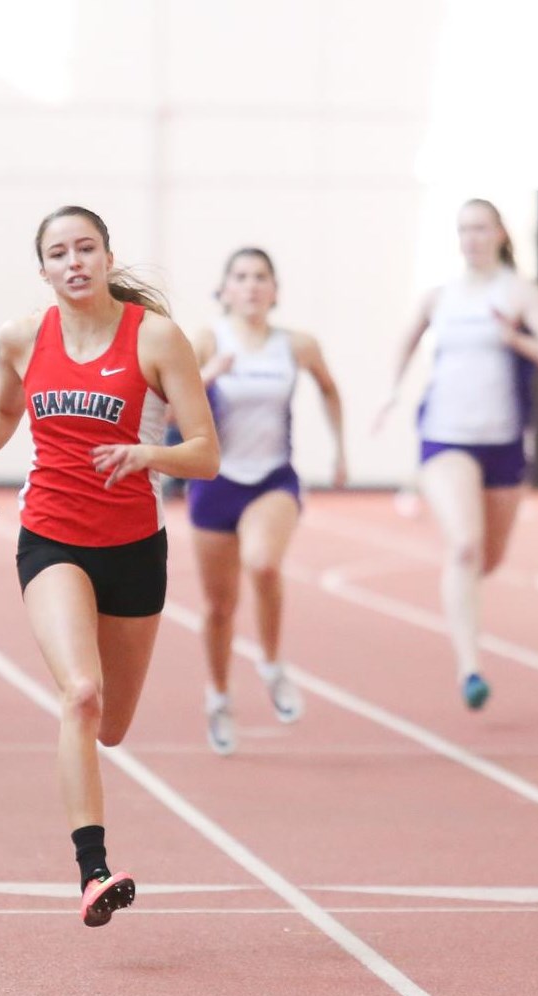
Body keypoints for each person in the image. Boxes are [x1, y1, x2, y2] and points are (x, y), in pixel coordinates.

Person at [0, 205, 217, 926]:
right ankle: (92, 869)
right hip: (51, 539)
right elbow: (4, 412)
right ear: (43, 269)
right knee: (82, 693)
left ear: (105, 256)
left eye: (86, 248)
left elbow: (207, 453)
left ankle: (89, 798)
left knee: (113, 726)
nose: (74, 262)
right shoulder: (22, 337)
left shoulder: (155, 338)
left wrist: (148, 454)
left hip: (133, 548)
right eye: (59, 252)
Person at [376, 200, 538, 708]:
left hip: (504, 442)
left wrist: (515, 338)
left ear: (500, 233)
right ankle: (471, 668)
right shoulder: (439, 297)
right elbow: (403, 342)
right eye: (464, 229)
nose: (472, 237)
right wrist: (392, 393)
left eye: (481, 228)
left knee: (487, 558)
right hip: (446, 437)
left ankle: (459, 592)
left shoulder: (519, 293)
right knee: (464, 546)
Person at [189, 248, 345, 754]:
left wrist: (340, 451)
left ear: (274, 290)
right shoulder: (208, 340)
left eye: (261, 277)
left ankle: (272, 664)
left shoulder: (296, 345)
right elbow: (169, 409)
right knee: (218, 606)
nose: (252, 285)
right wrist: (208, 375)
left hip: (272, 479)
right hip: (215, 480)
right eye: (241, 277)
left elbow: (329, 389)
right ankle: (218, 697)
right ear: (225, 289)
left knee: (264, 565)